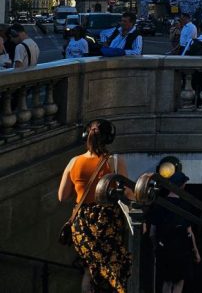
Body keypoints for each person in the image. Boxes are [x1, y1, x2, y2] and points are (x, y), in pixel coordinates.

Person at [57, 119, 132, 292]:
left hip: (81, 223)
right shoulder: (114, 161)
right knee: (113, 268)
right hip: (106, 221)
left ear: (86, 136)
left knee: (89, 270)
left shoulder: (73, 162)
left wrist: (81, 188)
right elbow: (128, 192)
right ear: (109, 138)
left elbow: (62, 196)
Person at [148, 170, 200, 293]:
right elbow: (189, 231)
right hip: (181, 249)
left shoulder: (160, 203)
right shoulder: (185, 205)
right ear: (182, 185)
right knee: (178, 282)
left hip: (164, 248)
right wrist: (196, 251)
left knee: (167, 281)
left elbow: (152, 232)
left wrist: (156, 247)